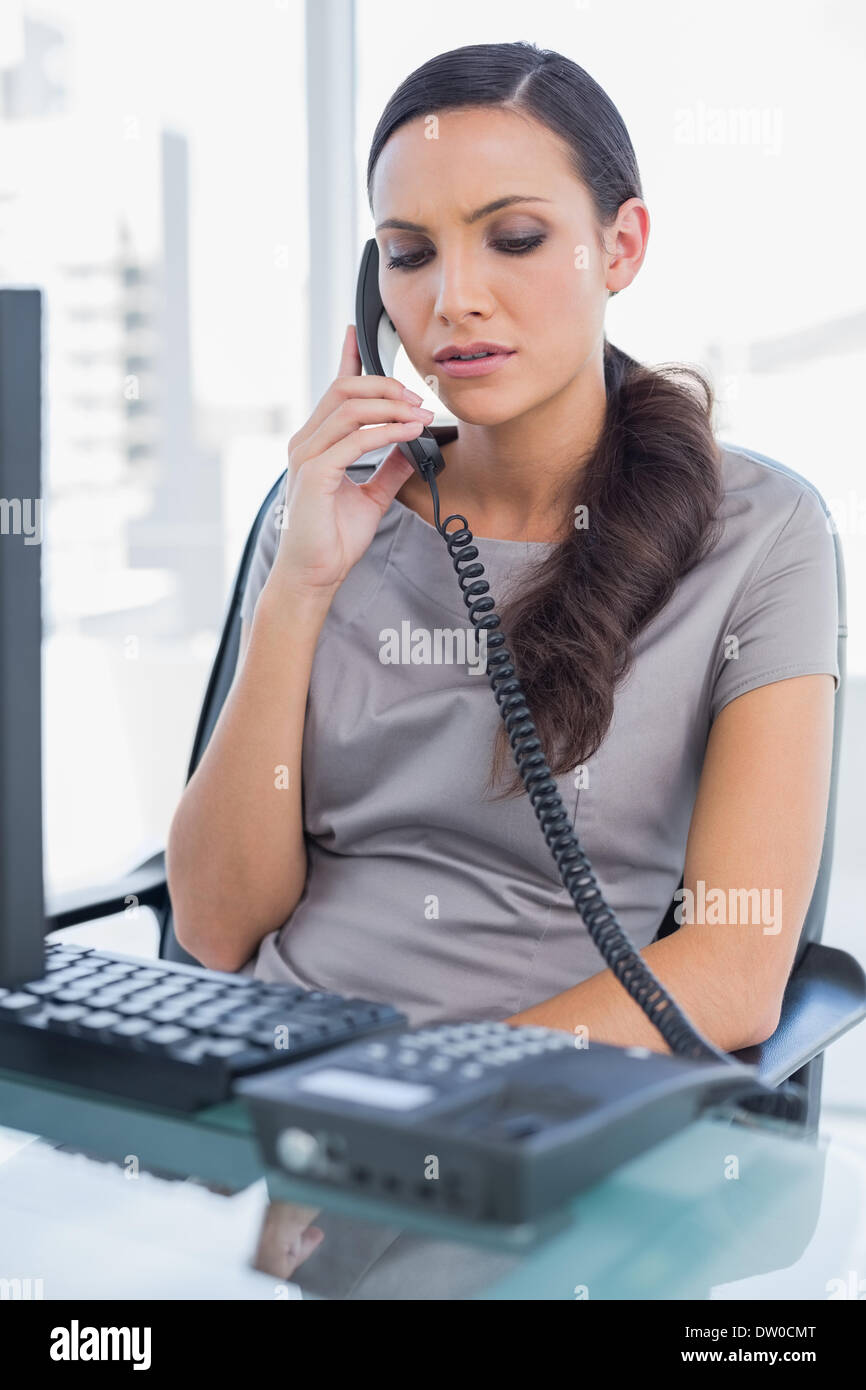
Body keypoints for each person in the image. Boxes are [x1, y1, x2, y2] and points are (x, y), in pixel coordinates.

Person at [166, 41, 839, 1299]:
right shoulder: (324, 510)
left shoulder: (764, 535)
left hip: (532, 1126)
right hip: (279, 1102)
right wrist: (302, 583)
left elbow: (738, 967)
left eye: (513, 238)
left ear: (619, 248)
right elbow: (213, 924)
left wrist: (406, 1100)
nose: (451, 298)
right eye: (410, 253)